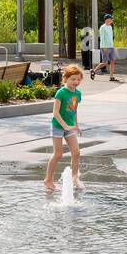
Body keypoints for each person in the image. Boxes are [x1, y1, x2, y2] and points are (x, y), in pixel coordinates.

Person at [44, 64, 85, 192]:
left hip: (70, 127)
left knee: (76, 153)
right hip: (58, 126)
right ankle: (48, 180)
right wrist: (65, 125)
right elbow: (55, 112)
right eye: (73, 79)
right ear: (65, 78)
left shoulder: (77, 94)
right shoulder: (61, 92)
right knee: (58, 154)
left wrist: (76, 125)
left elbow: (74, 110)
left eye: (78, 79)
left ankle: (74, 179)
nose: (76, 82)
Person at [90, 14, 120, 82]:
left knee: (112, 61)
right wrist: (104, 47)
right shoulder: (102, 27)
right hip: (105, 47)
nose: (112, 20)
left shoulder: (110, 27)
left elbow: (111, 37)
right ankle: (93, 71)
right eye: (111, 19)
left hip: (111, 47)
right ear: (107, 19)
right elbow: (102, 38)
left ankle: (111, 77)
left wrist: (112, 45)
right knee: (104, 63)